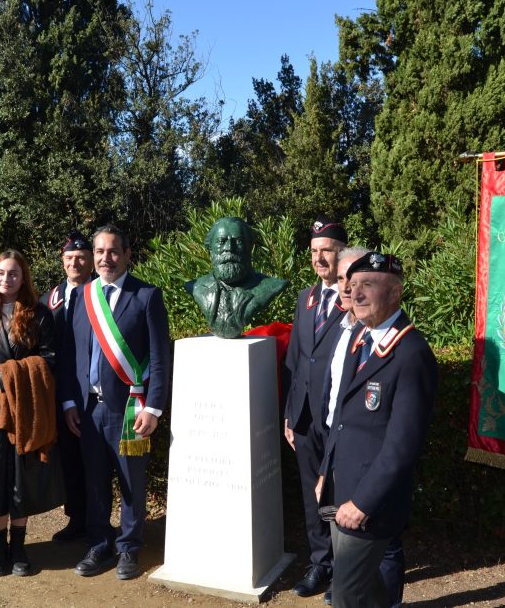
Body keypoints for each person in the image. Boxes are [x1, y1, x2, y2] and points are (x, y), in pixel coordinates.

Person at [317, 251, 437, 608]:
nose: (356, 294)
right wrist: (327, 471)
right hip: (343, 490)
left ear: (396, 293)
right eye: (352, 286)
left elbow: (403, 446)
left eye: (368, 285)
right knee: (367, 594)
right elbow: (341, 418)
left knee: (346, 597)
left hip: (370, 504)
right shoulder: (361, 339)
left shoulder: (411, 354)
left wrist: (363, 503)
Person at [59, 224, 171, 580]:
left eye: (112, 252)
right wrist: (68, 402)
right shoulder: (84, 296)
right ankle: (99, 543)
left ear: (126, 255)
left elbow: (159, 358)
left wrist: (153, 408)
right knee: (93, 480)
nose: (105, 258)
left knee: (131, 482)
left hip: (129, 408)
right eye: (100, 252)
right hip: (88, 408)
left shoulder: (147, 296)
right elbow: (71, 354)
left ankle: (128, 548)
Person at [0, 250, 63, 577]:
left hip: (25, 408)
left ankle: (19, 548)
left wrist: (7, 375)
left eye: (14, 273)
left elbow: (49, 360)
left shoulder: (39, 315)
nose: (7, 279)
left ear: (23, 277)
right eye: (2, 273)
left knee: (22, 478)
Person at [283, 216, 348, 598]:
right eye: (314, 252)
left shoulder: (355, 298)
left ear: (342, 253)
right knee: (314, 496)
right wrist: (290, 414)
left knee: (340, 495)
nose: (320, 258)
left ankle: (344, 569)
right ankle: (320, 563)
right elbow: (294, 360)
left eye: (327, 251)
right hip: (306, 417)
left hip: (340, 419)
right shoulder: (305, 299)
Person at [40, 232, 93, 541]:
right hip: (60, 393)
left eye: (81, 257)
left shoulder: (100, 293)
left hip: (92, 391)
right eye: (69, 258)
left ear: (90, 261)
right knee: (70, 460)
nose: (75, 262)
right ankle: (77, 519)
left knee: (96, 460)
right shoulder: (50, 299)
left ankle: (98, 519)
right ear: (62, 262)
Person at [185, 217, 289, 339]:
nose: (229, 247)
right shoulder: (196, 287)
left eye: (239, 241)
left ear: (249, 247)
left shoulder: (271, 286)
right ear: (210, 248)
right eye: (221, 241)